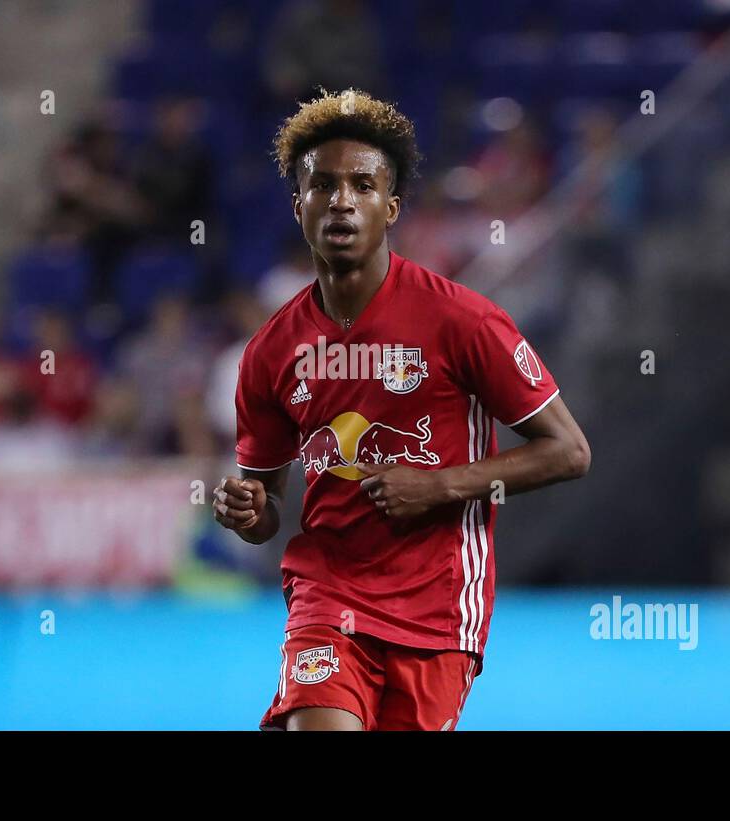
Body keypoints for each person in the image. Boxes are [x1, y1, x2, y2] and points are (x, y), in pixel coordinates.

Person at [213, 89, 590, 731]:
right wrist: (248, 510)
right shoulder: (271, 351)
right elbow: (266, 507)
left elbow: (568, 451)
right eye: (322, 185)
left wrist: (441, 484)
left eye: (362, 185)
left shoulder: (463, 320)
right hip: (326, 595)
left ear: (389, 208)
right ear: (298, 205)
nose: (340, 200)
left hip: (438, 608)